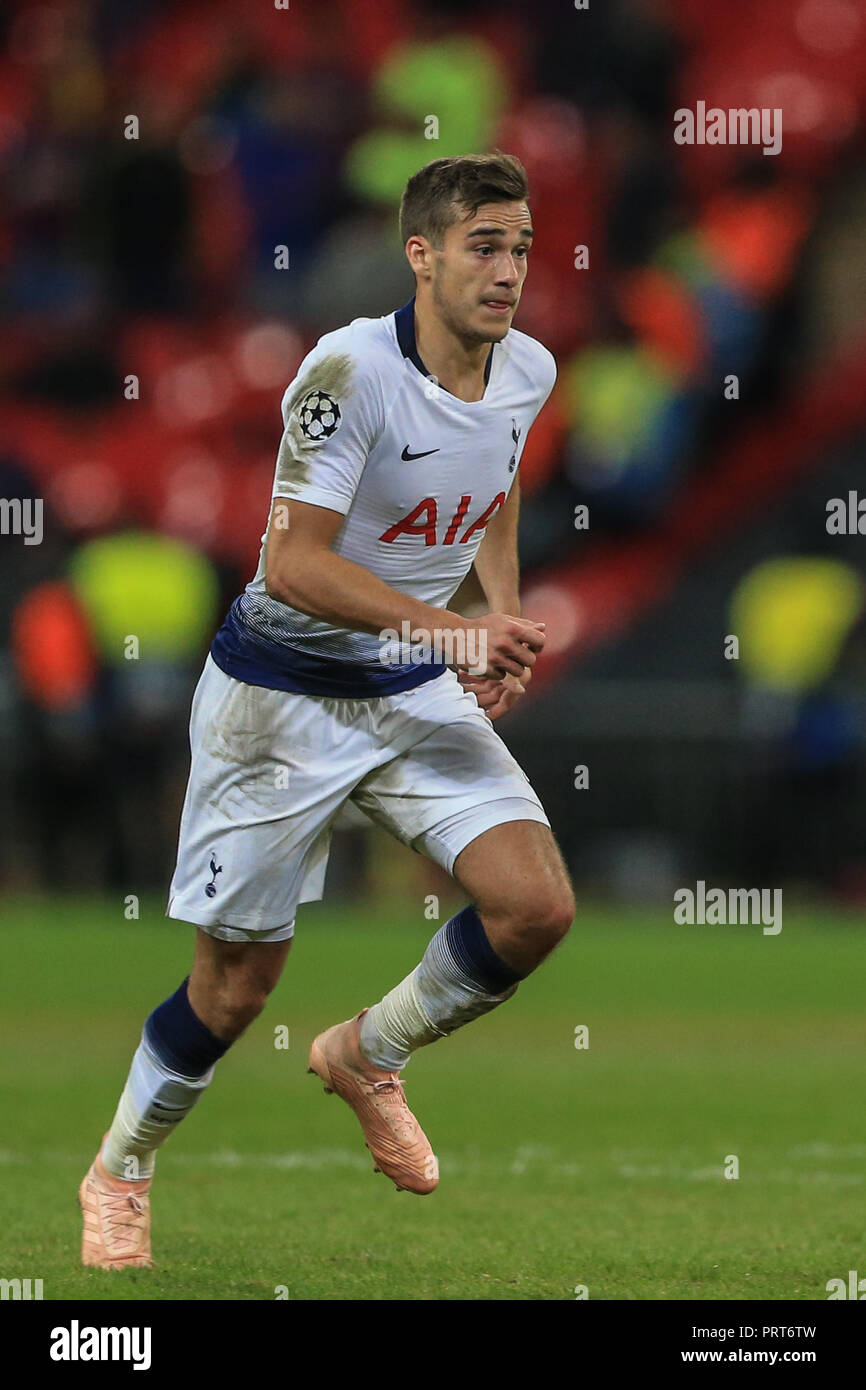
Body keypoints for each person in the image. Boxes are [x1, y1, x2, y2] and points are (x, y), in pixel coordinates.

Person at [79, 151, 575, 1270]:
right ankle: (121, 1167)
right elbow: (293, 566)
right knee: (233, 989)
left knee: (534, 907)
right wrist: (450, 630)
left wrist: (495, 614)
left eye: (522, 249)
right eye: (484, 247)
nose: (508, 272)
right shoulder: (346, 371)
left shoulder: (528, 370)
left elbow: (493, 486)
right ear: (421, 255)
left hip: (407, 686)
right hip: (279, 697)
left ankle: (367, 1053)